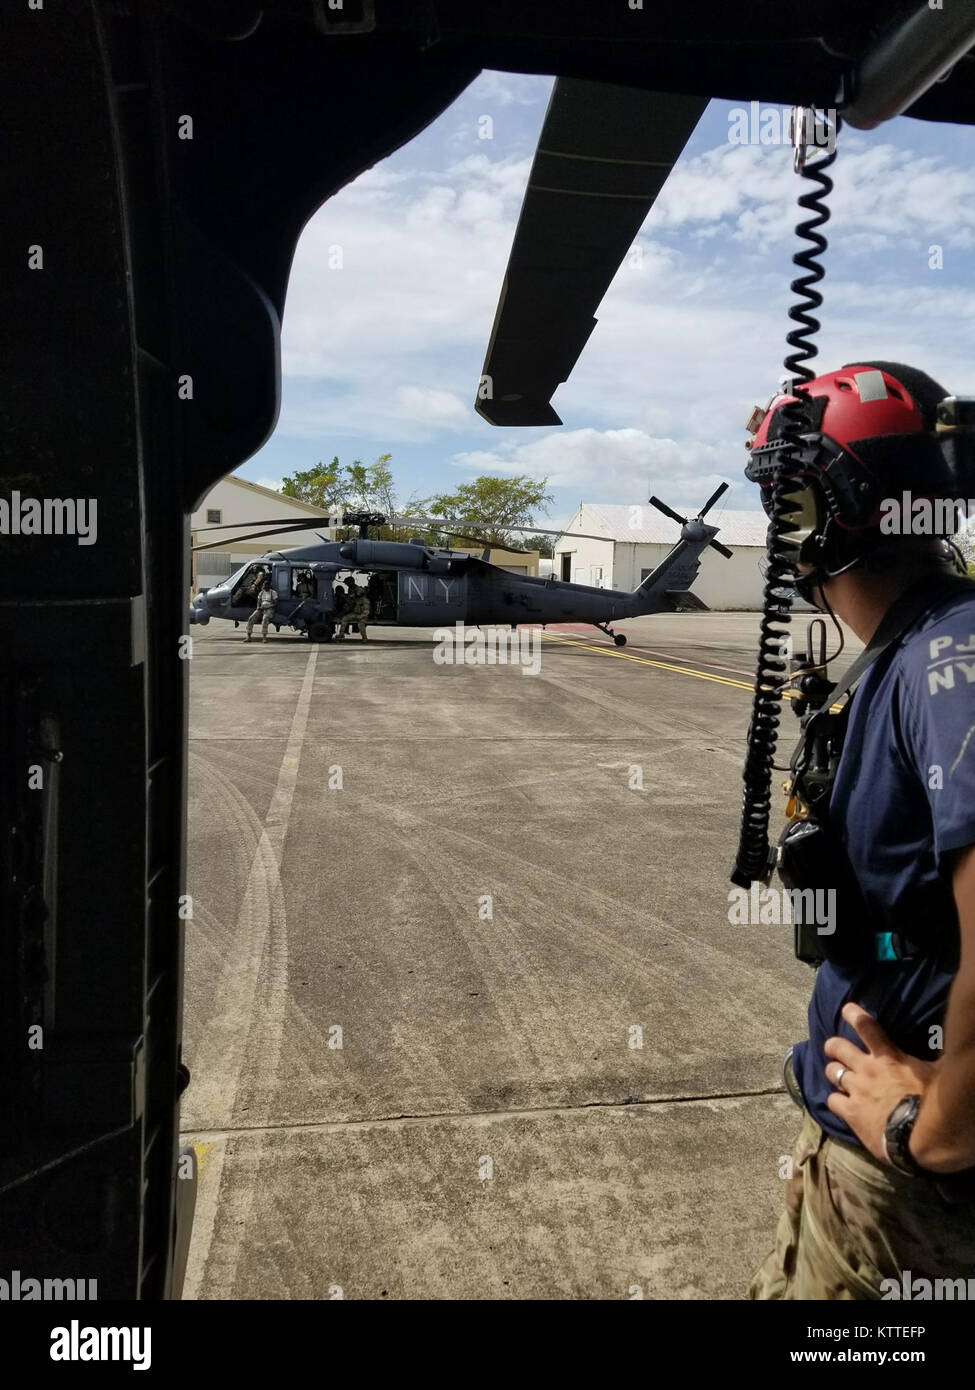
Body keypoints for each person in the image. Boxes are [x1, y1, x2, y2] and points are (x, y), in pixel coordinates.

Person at [743, 362, 975, 1299]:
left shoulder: (948, 662)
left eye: (784, 499)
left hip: (910, 1189)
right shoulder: (914, 649)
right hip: (859, 1145)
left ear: (821, 511)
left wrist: (937, 1129)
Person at [245, 577, 278, 643]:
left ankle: (264, 637)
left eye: (266, 585)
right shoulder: (261, 593)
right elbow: (259, 601)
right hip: (261, 608)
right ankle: (248, 636)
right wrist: (258, 607)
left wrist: (267, 607)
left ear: (269, 586)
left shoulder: (273, 592)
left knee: (265, 619)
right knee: (251, 618)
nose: (264, 587)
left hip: (269, 609)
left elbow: (275, 604)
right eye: (264, 585)